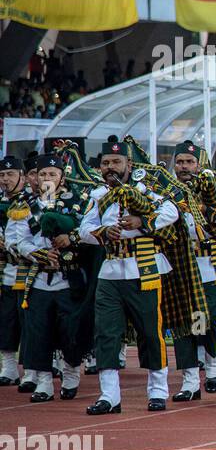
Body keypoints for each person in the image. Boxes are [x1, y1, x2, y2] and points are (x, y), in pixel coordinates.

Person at [78, 136, 180, 414]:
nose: (110, 167)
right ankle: (109, 395)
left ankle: (158, 390)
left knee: (150, 331)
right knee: (106, 333)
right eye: (106, 163)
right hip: (110, 271)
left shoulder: (144, 189)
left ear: (128, 164)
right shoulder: (98, 195)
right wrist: (102, 233)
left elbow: (171, 211)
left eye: (116, 162)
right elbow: (83, 230)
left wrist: (142, 222)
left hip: (143, 267)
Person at [10, 154, 93, 402]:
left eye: (52, 174)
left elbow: (88, 232)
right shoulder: (24, 205)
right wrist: (39, 254)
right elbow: (17, 240)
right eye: (43, 174)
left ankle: (70, 373)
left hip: (70, 279)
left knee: (70, 330)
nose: (47, 179)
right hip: (39, 279)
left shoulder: (78, 202)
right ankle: (44, 382)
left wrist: (71, 240)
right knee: (38, 332)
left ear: (62, 178)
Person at [171, 138, 216, 401]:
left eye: (189, 162)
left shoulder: (215, 188)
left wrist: (202, 210)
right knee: (182, 323)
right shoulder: (169, 190)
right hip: (181, 267)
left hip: (212, 266)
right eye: (180, 162)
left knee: (208, 317)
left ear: (200, 165)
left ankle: (213, 364)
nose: (184, 166)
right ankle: (190, 381)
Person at [0, 156, 26, 387]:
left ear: (22, 176)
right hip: (6, 269)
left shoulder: (33, 201)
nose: (6, 179)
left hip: (30, 269)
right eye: (2, 175)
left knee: (30, 321)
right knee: (6, 319)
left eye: (10, 174)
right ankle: (8, 367)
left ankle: (39, 370)